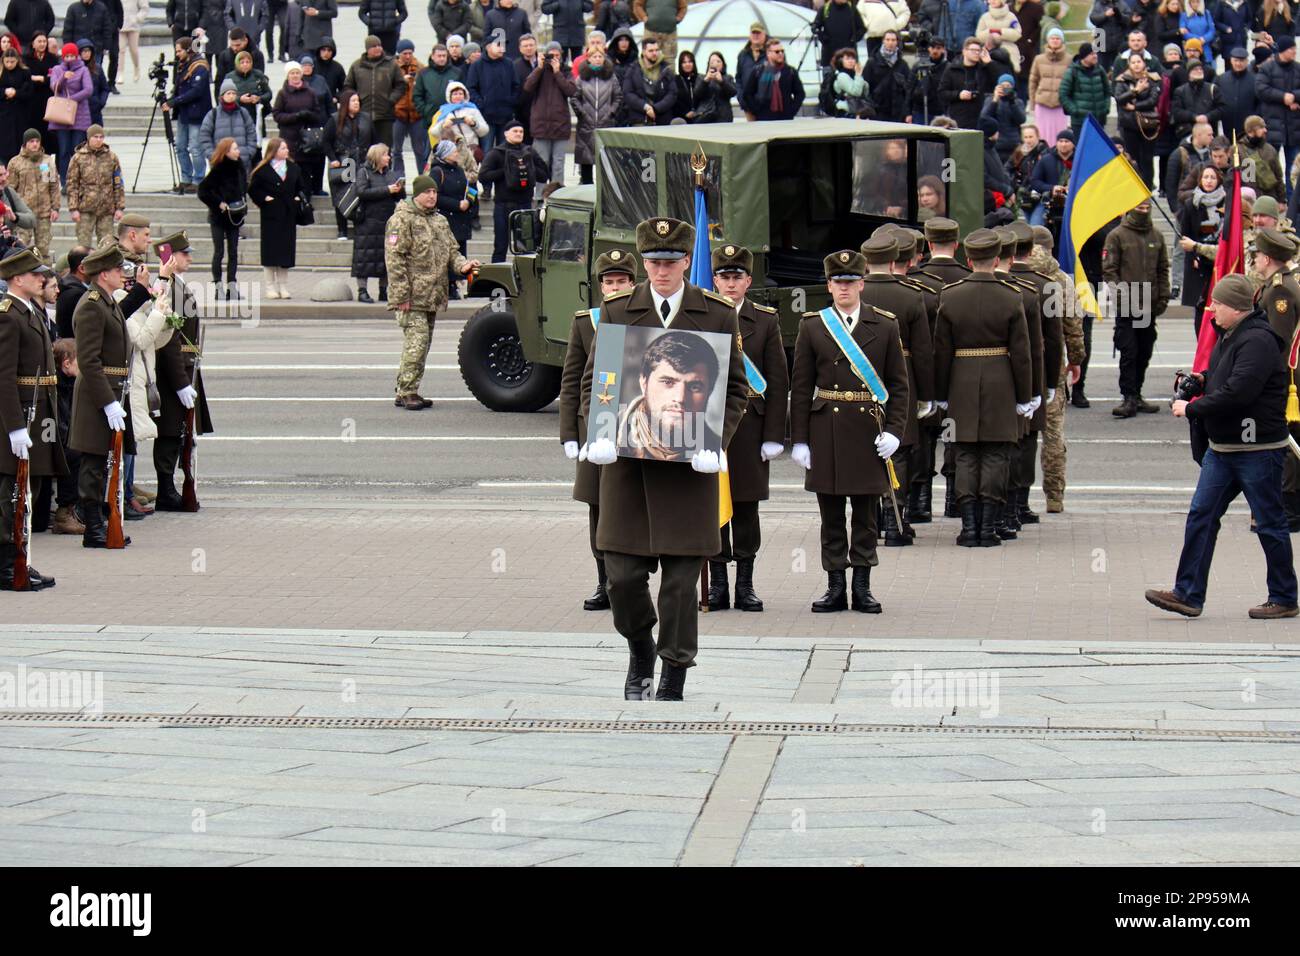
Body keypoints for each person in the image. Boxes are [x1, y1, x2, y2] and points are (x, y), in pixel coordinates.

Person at [582, 217, 746, 701]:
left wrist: (717, 441)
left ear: (686, 262)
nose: (661, 271)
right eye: (653, 262)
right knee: (623, 579)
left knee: (680, 584)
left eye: (670, 262)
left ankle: (673, 670)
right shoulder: (616, 311)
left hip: (688, 474)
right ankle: (639, 647)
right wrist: (597, 432)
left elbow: (736, 389)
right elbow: (600, 378)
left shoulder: (716, 314)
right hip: (628, 471)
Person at [1146, 274, 1299, 619]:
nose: (1211, 309)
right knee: (1202, 515)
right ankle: (1187, 594)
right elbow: (1230, 380)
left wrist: (1192, 407)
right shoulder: (1233, 334)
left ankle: (1285, 597)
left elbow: (1240, 392)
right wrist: (1203, 380)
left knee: (1270, 523)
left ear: (1235, 307)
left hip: (1257, 448)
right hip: (1226, 447)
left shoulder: (1257, 340)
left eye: (1217, 303)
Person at [788, 247, 908, 611]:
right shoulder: (813, 325)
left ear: (862, 283)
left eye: (851, 282)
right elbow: (801, 384)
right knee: (831, 515)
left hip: (867, 431)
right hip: (827, 430)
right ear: (828, 285)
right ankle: (835, 585)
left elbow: (899, 385)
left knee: (867, 515)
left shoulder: (885, 324)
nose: (844, 288)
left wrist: (896, 432)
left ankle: (863, 586)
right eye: (838, 282)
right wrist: (800, 439)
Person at [932, 228, 1033, 546]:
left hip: (961, 379)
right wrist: (1023, 395)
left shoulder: (950, 295)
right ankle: (987, 528)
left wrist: (940, 392)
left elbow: (941, 351)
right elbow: (1022, 355)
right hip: (1000, 379)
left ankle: (968, 527)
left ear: (969, 257)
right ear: (998, 258)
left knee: (963, 453)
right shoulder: (1011, 295)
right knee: (995, 453)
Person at [704, 243, 787, 612]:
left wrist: (773, 435)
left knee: (746, 507)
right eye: (724, 276)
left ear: (748, 281)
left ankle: (746, 585)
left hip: (750, 426)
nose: (730, 283)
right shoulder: (702, 314)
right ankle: (718, 583)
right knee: (712, 503)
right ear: (715, 280)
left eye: (737, 277)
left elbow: (778, 381)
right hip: (709, 423)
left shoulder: (765, 321)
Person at [559, 249, 637, 611]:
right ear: (601, 286)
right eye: (610, 282)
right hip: (595, 430)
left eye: (622, 281)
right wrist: (570, 436)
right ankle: (604, 581)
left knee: (635, 505)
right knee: (598, 506)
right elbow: (572, 382)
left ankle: (631, 580)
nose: (616, 287)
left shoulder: (645, 320)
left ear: (634, 284)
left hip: (637, 428)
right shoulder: (585, 323)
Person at [861, 232, 933, 546]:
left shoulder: (855, 294)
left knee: (867, 448)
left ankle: (872, 520)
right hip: (901, 378)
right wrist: (928, 394)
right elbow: (924, 352)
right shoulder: (911, 295)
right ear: (894, 261)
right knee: (899, 450)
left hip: (861, 378)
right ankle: (895, 521)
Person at [0, 247, 65, 589]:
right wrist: (13, 427)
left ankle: (22, 556)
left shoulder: (31, 311)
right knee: (12, 493)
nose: (43, 278)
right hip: (22, 416)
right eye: (35, 274)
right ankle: (7, 564)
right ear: (17, 279)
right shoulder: (8, 315)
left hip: (40, 413)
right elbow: (4, 376)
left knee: (32, 487)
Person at [385, 173, 479, 409]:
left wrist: (462, 265)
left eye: (435, 192)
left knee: (422, 345)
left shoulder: (439, 221)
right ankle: (407, 392)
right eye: (427, 192)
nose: (432, 196)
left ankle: (405, 389)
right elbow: (394, 259)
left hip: (432, 295)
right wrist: (400, 296)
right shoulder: (401, 220)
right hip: (412, 295)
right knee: (417, 343)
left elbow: (452, 251)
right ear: (416, 194)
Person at [68, 242, 131, 549]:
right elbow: (89, 360)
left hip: (110, 390)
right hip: (97, 393)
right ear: (104, 274)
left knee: (104, 460)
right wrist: (107, 402)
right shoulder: (92, 304)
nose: (123, 274)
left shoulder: (106, 301)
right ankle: (93, 525)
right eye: (119, 269)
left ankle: (102, 520)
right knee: (93, 461)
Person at [147, 230, 211, 510]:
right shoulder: (170, 287)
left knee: (179, 432)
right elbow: (170, 338)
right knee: (170, 432)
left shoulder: (178, 284)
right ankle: (165, 489)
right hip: (173, 371)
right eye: (185, 254)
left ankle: (170, 487)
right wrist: (181, 381)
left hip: (184, 368)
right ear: (170, 258)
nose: (189, 258)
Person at [1029, 224, 1084, 514]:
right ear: (1051, 249)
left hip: (1021, 366)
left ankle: (1016, 498)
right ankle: (1054, 497)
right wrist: (1075, 360)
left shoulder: (1016, 275)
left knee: (1022, 433)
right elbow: (1073, 326)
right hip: (1054, 366)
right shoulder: (1061, 280)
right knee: (1053, 434)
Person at [1105, 200, 1170, 418]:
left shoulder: (1157, 236)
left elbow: (1162, 269)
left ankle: (1138, 394)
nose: (1143, 211)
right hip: (1127, 307)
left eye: (1146, 208)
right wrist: (1123, 298)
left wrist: (1163, 296)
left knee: (1145, 351)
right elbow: (1110, 272)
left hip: (1149, 307)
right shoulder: (1116, 236)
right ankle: (1128, 397)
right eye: (1139, 208)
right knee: (1129, 352)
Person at [248, 136, 304, 299]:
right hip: (271, 216)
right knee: (270, 253)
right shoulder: (263, 170)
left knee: (285, 253)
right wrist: (264, 198)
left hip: (288, 215)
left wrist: (298, 198)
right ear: (273, 151)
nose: (286, 151)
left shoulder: (293, 168)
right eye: (282, 148)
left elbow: (302, 187)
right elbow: (253, 189)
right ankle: (270, 287)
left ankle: (283, 286)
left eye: (286, 148)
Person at [353, 142, 404, 302]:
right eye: (385, 154)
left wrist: (399, 189)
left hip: (387, 221)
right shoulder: (364, 172)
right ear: (377, 157)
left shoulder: (391, 174)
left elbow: (398, 197)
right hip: (368, 221)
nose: (388, 157)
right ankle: (362, 290)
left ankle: (384, 289)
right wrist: (387, 190)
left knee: (386, 257)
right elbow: (362, 192)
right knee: (365, 256)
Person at [198, 136, 248, 297]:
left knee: (233, 251)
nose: (238, 151)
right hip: (219, 217)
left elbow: (243, 188)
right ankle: (218, 286)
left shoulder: (240, 167)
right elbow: (203, 191)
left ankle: (232, 286)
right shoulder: (218, 168)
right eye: (234, 149)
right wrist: (218, 202)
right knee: (219, 251)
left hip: (235, 215)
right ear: (226, 152)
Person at [523, 41, 573, 196]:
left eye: (557, 56)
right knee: (541, 163)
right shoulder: (539, 71)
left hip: (560, 125)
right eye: (551, 56)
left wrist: (558, 73)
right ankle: (539, 195)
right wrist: (539, 68)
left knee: (558, 164)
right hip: (541, 126)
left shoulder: (566, 71)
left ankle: (558, 194)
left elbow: (571, 90)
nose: (554, 59)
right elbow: (528, 87)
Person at [324, 89, 375, 239]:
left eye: (358, 101)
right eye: (353, 101)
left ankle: (360, 226)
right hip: (343, 163)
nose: (357, 103)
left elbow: (374, 139)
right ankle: (342, 229)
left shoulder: (366, 118)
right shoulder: (334, 119)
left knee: (362, 194)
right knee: (341, 196)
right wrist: (333, 159)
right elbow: (326, 142)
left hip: (363, 163)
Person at [466, 30, 518, 174]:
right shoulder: (477, 66)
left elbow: (516, 86)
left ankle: (502, 186)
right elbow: (471, 88)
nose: (502, 48)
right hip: (486, 118)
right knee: (488, 154)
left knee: (504, 154)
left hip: (505, 117)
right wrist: (482, 105)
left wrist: (510, 102)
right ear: (488, 47)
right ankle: (487, 186)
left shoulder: (509, 64)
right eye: (498, 45)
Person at [164, 37, 211, 194]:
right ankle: (186, 178)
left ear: (188, 49)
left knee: (196, 148)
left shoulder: (200, 66)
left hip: (197, 114)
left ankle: (199, 180)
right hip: (184, 113)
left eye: (179, 51)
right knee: (181, 147)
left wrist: (175, 101)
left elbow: (196, 91)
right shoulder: (183, 65)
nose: (177, 54)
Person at [1177, 163, 1226, 308]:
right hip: (1198, 258)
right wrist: (1193, 256)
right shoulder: (1191, 204)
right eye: (1206, 177)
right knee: (1200, 305)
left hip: (1218, 255)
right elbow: (1186, 234)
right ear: (1200, 180)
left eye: (1212, 177)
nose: (1209, 181)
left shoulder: (1226, 201)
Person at [65, 124, 122, 246]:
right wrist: (73, 208)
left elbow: (118, 183)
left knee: (107, 246)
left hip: (106, 208)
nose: (99, 140)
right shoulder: (78, 158)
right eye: (95, 137)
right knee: (83, 246)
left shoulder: (111, 157)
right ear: (89, 138)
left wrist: (119, 207)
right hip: (85, 208)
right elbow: (72, 184)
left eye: (101, 137)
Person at [572, 48, 622, 185]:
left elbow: (618, 97)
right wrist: (582, 114)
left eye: (600, 56)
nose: (598, 59)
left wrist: (611, 113)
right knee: (586, 162)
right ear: (588, 59)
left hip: (605, 124)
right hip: (586, 125)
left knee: (605, 163)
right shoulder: (581, 78)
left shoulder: (611, 77)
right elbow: (575, 98)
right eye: (594, 56)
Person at [7, 130, 58, 262]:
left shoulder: (48, 161)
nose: (35, 144)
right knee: (21, 247)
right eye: (31, 141)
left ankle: (46, 279)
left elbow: (53, 186)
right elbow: (10, 190)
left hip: (44, 213)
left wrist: (55, 208)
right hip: (24, 214)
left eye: (37, 141)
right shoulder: (15, 162)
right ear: (25, 144)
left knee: (44, 250)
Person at [345, 34, 404, 147]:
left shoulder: (391, 64)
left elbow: (400, 85)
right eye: (374, 46)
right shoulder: (357, 66)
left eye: (379, 45)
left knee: (385, 149)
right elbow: (348, 86)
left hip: (385, 115)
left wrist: (391, 100)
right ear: (367, 49)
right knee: (364, 148)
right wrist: (356, 101)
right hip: (363, 114)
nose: (378, 48)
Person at [47, 42, 93, 184]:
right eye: (67, 56)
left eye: (72, 55)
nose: (69, 58)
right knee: (64, 150)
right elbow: (54, 86)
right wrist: (64, 77)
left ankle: (77, 180)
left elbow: (88, 89)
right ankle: (65, 181)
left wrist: (71, 100)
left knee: (77, 151)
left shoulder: (83, 70)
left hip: (79, 116)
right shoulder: (57, 69)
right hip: (62, 117)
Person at [271, 62, 324, 182]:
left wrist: (308, 115)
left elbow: (318, 114)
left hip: (306, 140)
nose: (295, 76)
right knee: (290, 174)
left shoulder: (310, 92)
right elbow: (277, 115)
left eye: (297, 73)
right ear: (288, 75)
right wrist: (295, 116)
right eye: (292, 73)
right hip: (289, 138)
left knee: (305, 175)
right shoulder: (282, 93)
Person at [1114, 51, 1160, 187]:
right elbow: (1119, 99)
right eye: (1133, 62)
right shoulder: (1122, 80)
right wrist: (1136, 90)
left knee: (1147, 158)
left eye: (1138, 62)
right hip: (1129, 124)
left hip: (1147, 124)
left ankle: (1147, 186)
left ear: (1144, 63)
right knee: (1132, 157)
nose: (1136, 65)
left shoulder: (1151, 79)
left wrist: (1134, 106)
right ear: (1129, 64)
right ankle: (1133, 186)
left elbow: (1153, 100)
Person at [939, 36, 995, 129]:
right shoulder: (952, 69)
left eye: (979, 50)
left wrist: (990, 64)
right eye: (973, 50)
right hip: (958, 118)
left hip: (980, 117)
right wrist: (959, 95)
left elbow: (998, 82)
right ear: (964, 51)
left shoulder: (984, 69)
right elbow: (942, 92)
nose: (977, 53)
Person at [742, 37, 803, 122]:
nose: (781, 54)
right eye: (777, 52)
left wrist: (792, 110)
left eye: (782, 51)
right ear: (768, 53)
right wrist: (756, 110)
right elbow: (747, 93)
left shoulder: (790, 71)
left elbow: (800, 93)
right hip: (764, 118)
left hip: (785, 118)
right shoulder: (758, 71)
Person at [1058, 41, 1110, 137]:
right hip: (1080, 122)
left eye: (1095, 53)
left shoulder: (1100, 70)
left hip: (1099, 120)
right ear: (1083, 56)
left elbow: (1107, 91)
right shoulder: (1072, 72)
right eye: (1091, 54)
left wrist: (1105, 108)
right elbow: (1063, 94)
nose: (1095, 56)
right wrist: (1075, 111)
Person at [621, 34, 674, 125]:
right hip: (639, 119)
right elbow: (627, 93)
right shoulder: (633, 69)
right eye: (651, 51)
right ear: (644, 51)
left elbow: (672, 93)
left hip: (662, 120)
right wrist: (645, 107)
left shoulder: (666, 69)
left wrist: (656, 108)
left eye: (657, 50)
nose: (654, 53)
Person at [1028, 26, 1069, 144]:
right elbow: (1033, 81)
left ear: (1062, 41)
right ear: (1048, 41)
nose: (1055, 40)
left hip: (1060, 104)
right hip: (1042, 103)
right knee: (1042, 135)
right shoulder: (1039, 59)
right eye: (1052, 38)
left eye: (1057, 38)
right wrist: (1032, 103)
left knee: (1060, 135)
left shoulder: (1069, 59)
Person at [864, 29, 911, 123]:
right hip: (878, 111)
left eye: (893, 40)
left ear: (897, 42)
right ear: (883, 41)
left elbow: (908, 90)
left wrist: (907, 112)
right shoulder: (872, 63)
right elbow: (865, 87)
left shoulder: (902, 64)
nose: (890, 43)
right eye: (888, 39)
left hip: (898, 112)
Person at [23, 32, 58, 156]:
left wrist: (41, 79)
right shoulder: (26, 59)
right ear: (33, 43)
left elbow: (55, 77)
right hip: (31, 102)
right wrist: (37, 79)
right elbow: (25, 77)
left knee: (48, 134)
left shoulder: (52, 59)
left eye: (44, 41)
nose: (42, 44)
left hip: (48, 101)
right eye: (39, 41)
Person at [0, 45, 32, 162]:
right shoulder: (1, 72)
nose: (9, 64)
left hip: (20, 113)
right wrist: (4, 92)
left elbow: (28, 92)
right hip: (3, 114)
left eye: (12, 62)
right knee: (5, 144)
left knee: (19, 143)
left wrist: (16, 93)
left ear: (17, 60)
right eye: (7, 61)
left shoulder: (25, 72)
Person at [63, 0, 113, 75]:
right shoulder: (73, 8)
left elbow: (107, 29)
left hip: (96, 49)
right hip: (78, 50)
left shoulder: (101, 8)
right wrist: (68, 47)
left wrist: (106, 46)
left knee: (95, 74)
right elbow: (68, 30)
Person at [820, 46, 871, 119]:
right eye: (847, 59)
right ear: (840, 61)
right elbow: (856, 92)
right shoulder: (842, 76)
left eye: (852, 58)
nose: (851, 61)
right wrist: (858, 76)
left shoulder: (853, 74)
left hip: (856, 108)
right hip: (845, 111)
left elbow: (865, 93)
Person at [813, 0, 865, 68]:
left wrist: (853, 39)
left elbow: (862, 28)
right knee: (829, 76)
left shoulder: (851, 8)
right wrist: (824, 39)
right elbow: (815, 27)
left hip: (848, 56)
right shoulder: (825, 8)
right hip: (829, 55)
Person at [1221, 49, 1259, 140]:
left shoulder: (1255, 80)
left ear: (1246, 62)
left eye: (1241, 61)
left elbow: (1259, 103)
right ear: (1231, 61)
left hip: (1248, 126)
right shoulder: (1222, 79)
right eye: (1236, 60)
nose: (1238, 64)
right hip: (1227, 126)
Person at [632, 0, 685, 65]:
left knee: (669, 63)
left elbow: (683, 7)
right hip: (651, 32)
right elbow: (638, 4)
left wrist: (679, 17)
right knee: (648, 61)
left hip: (670, 34)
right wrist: (644, 17)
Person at [694, 50, 734, 124]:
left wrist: (722, 81)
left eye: (718, 61)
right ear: (708, 64)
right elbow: (697, 94)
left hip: (724, 116)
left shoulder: (728, 78)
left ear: (723, 64)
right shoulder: (701, 77)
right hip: (705, 115)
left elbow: (733, 92)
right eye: (712, 62)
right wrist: (706, 81)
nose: (715, 64)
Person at [119, 0, 147, 83]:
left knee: (134, 50)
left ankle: (136, 67)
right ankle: (120, 73)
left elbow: (144, 8)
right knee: (121, 49)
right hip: (120, 25)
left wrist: (137, 18)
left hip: (134, 25)